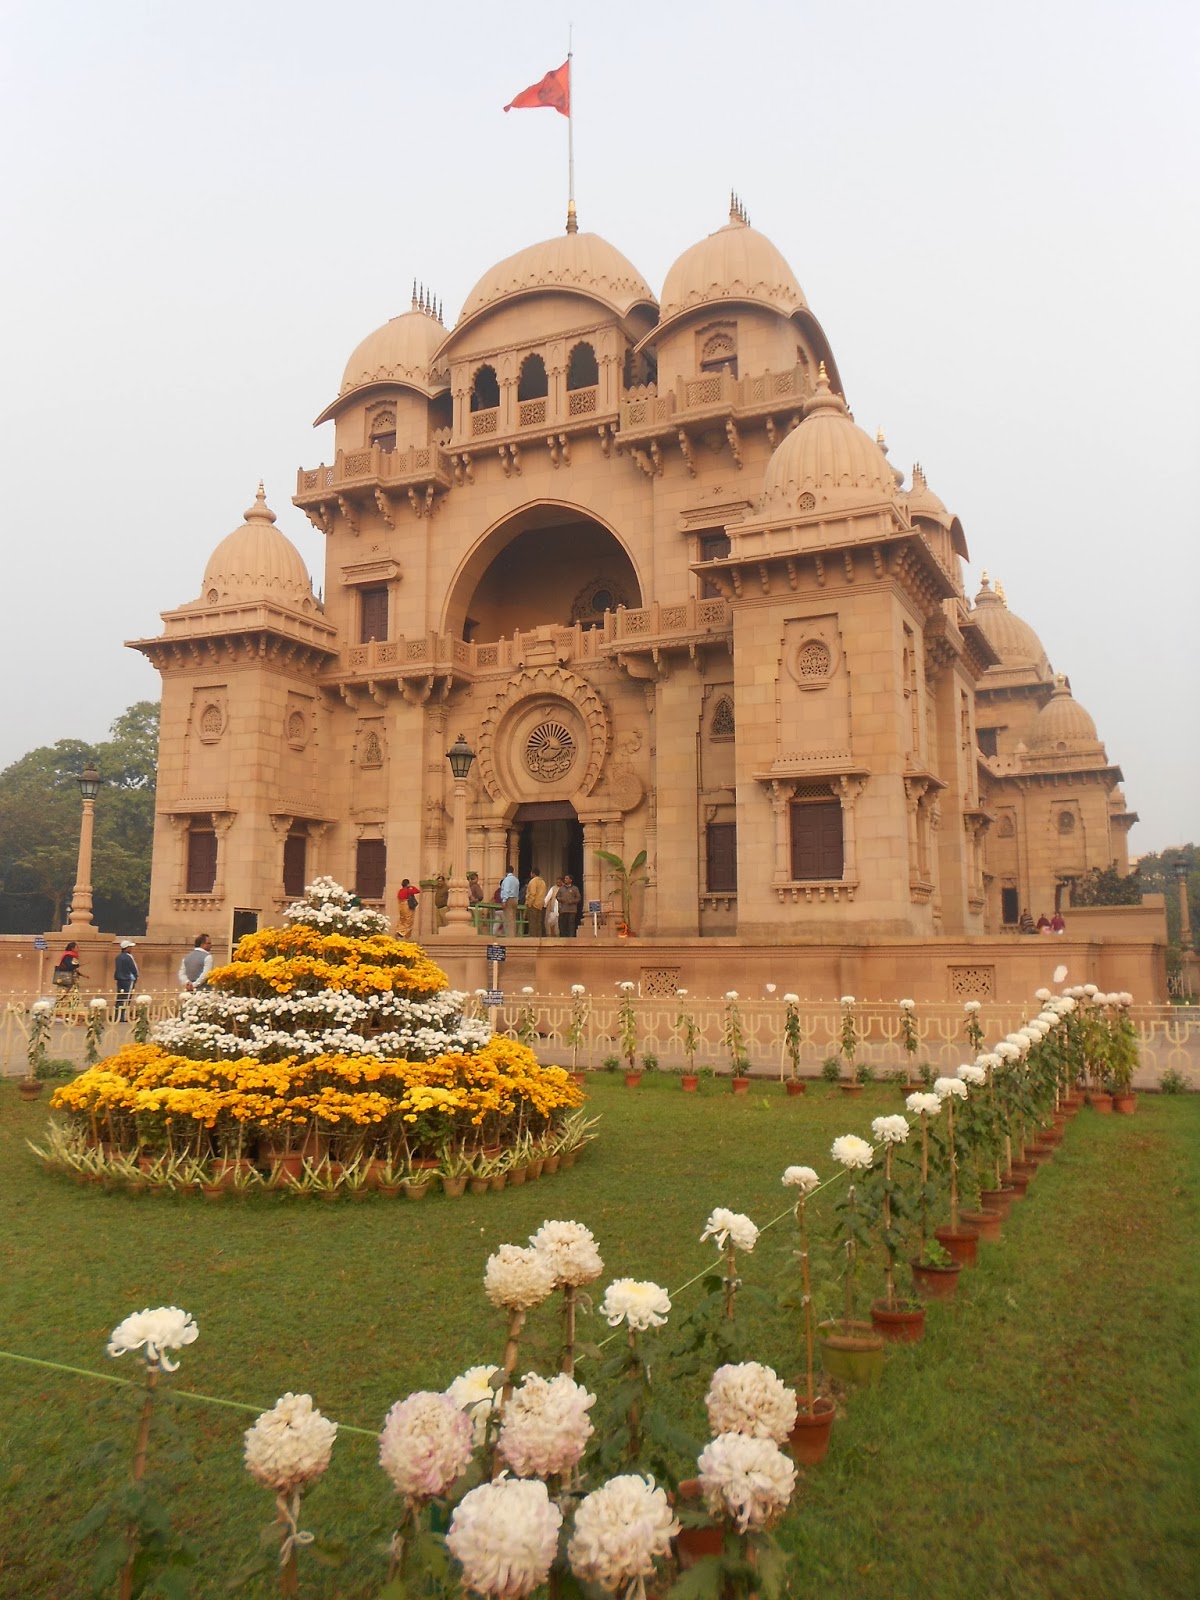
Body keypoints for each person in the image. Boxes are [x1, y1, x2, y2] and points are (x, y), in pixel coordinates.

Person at [113, 939, 139, 1020]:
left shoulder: (118, 957)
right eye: (130, 947)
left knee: (120, 997)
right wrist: (135, 976)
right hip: (128, 979)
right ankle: (123, 1017)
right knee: (126, 998)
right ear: (126, 948)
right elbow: (133, 968)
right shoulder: (128, 957)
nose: (131, 949)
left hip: (120, 978)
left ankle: (117, 1016)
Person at [499, 863, 520, 937]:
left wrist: (504, 900)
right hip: (515, 899)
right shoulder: (516, 880)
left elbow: (506, 890)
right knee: (513, 918)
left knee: (508, 918)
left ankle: (509, 936)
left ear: (506, 871)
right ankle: (513, 934)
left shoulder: (507, 880)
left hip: (509, 899)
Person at [558, 874, 582, 938]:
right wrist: (560, 899)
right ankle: (564, 936)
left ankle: (571, 936)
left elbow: (578, 898)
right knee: (563, 924)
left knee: (571, 923)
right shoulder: (561, 888)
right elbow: (557, 896)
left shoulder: (575, 888)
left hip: (572, 909)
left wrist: (573, 901)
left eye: (567, 878)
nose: (565, 880)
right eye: (565, 878)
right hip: (563, 909)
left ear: (571, 880)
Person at [525, 867, 546, 937]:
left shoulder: (533, 881)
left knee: (532, 923)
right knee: (538, 923)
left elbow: (532, 894)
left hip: (533, 904)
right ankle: (538, 938)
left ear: (532, 873)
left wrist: (529, 904)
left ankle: (533, 939)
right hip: (540, 904)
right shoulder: (543, 882)